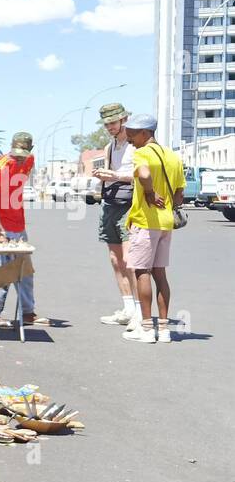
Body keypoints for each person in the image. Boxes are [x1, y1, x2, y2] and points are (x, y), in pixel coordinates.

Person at [120, 114, 183, 344]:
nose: (129, 141)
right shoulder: (173, 157)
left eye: (131, 136)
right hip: (166, 224)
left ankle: (146, 329)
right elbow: (179, 194)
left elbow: (144, 174)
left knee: (141, 272)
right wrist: (166, 202)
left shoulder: (143, 153)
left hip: (145, 223)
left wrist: (148, 192)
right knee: (160, 274)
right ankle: (164, 329)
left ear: (145, 133)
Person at [0, 132, 44, 328]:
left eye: (22, 154)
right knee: (2, 271)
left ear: (29, 150)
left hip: (18, 223)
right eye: (15, 153)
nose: (18, 157)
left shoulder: (30, 160)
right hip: (2, 225)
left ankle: (28, 313)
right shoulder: (1, 166)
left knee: (25, 272)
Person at [91, 103, 140, 329]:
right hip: (110, 202)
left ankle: (140, 312)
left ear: (124, 119)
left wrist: (115, 175)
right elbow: (111, 173)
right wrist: (102, 177)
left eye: (113, 122)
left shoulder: (136, 145)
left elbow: (143, 174)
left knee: (131, 260)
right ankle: (128, 308)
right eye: (107, 123)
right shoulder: (110, 146)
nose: (109, 127)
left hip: (130, 204)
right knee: (115, 260)